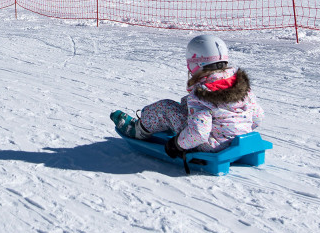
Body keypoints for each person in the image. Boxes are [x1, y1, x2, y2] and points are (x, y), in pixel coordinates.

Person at [113, 35, 263, 157]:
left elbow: (199, 133)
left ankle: (138, 129)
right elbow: (258, 117)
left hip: (211, 146)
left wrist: (177, 144)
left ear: (195, 64)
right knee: (187, 104)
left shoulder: (201, 95)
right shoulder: (241, 86)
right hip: (241, 139)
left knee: (166, 107)